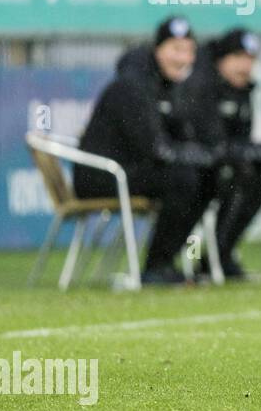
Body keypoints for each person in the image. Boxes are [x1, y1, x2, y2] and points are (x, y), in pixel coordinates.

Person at [74, 16, 220, 285]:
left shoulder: (168, 88)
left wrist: (210, 156)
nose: (184, 58)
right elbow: (155, 149)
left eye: (189, 50)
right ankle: (156, 265)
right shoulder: (133, 86)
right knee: (184, 178)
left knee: (208, 179)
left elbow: (176, 141)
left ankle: (169, 261)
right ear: (157, 50)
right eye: (176, 49)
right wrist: (199, 155)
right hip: (102, 175)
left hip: (129, 171)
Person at [176, 27, 261, 280]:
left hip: (218, 168)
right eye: (238, 58)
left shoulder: (241, 92)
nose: (245, 66)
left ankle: (220, 255)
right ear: (222, 59)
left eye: (250, 59)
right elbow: (215, 145)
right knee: (242, 174)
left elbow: (240, 143)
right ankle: (204, 260)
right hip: (191, 170)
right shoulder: (201, 87)